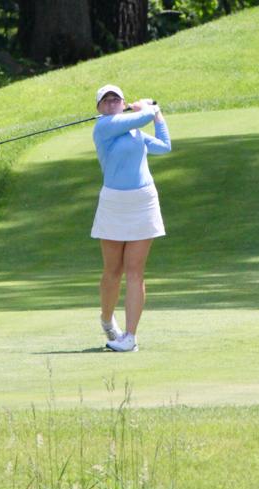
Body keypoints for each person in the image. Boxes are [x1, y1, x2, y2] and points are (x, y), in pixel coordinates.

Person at [91, 84, 171, 352]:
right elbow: (143, 116)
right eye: (106, 100)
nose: (111, 102)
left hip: (143, 202)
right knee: (112, 271)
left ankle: (130, 337)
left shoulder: (135, 131)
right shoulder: (104, 127)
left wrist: (158, 116)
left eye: (116, 98)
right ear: (100, 108)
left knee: (135, 272)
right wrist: (149, 109)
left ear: (123, 102)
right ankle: (106, 319)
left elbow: (164, 147)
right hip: (114, 204)